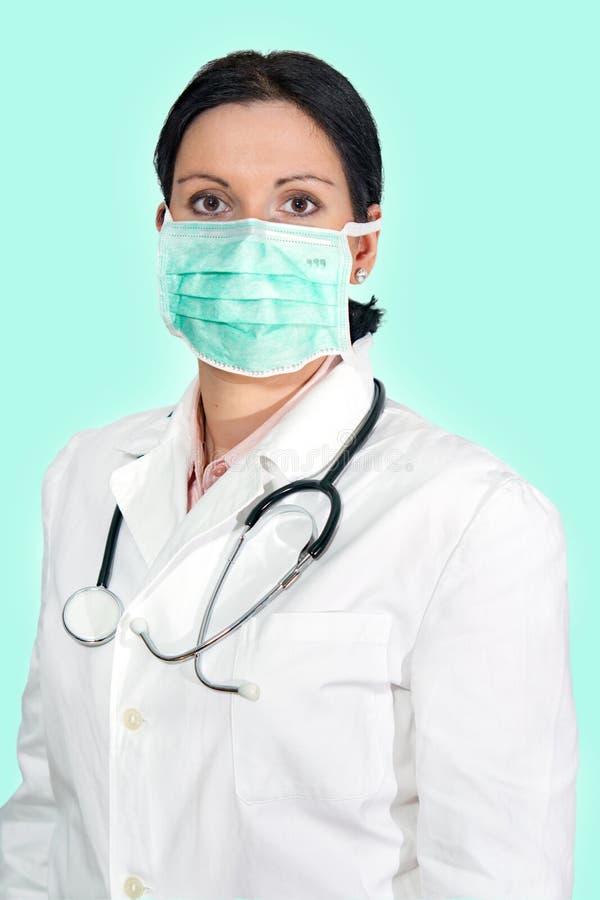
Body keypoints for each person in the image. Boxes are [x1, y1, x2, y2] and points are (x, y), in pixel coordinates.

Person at [0, 49, 578, 900]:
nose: (246, 240)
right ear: (165, 232)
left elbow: (497, 878)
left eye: (298, 204)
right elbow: (47, 814)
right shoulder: (86, 479)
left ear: (362, 246)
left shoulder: (470, 518)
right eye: (209, 203)